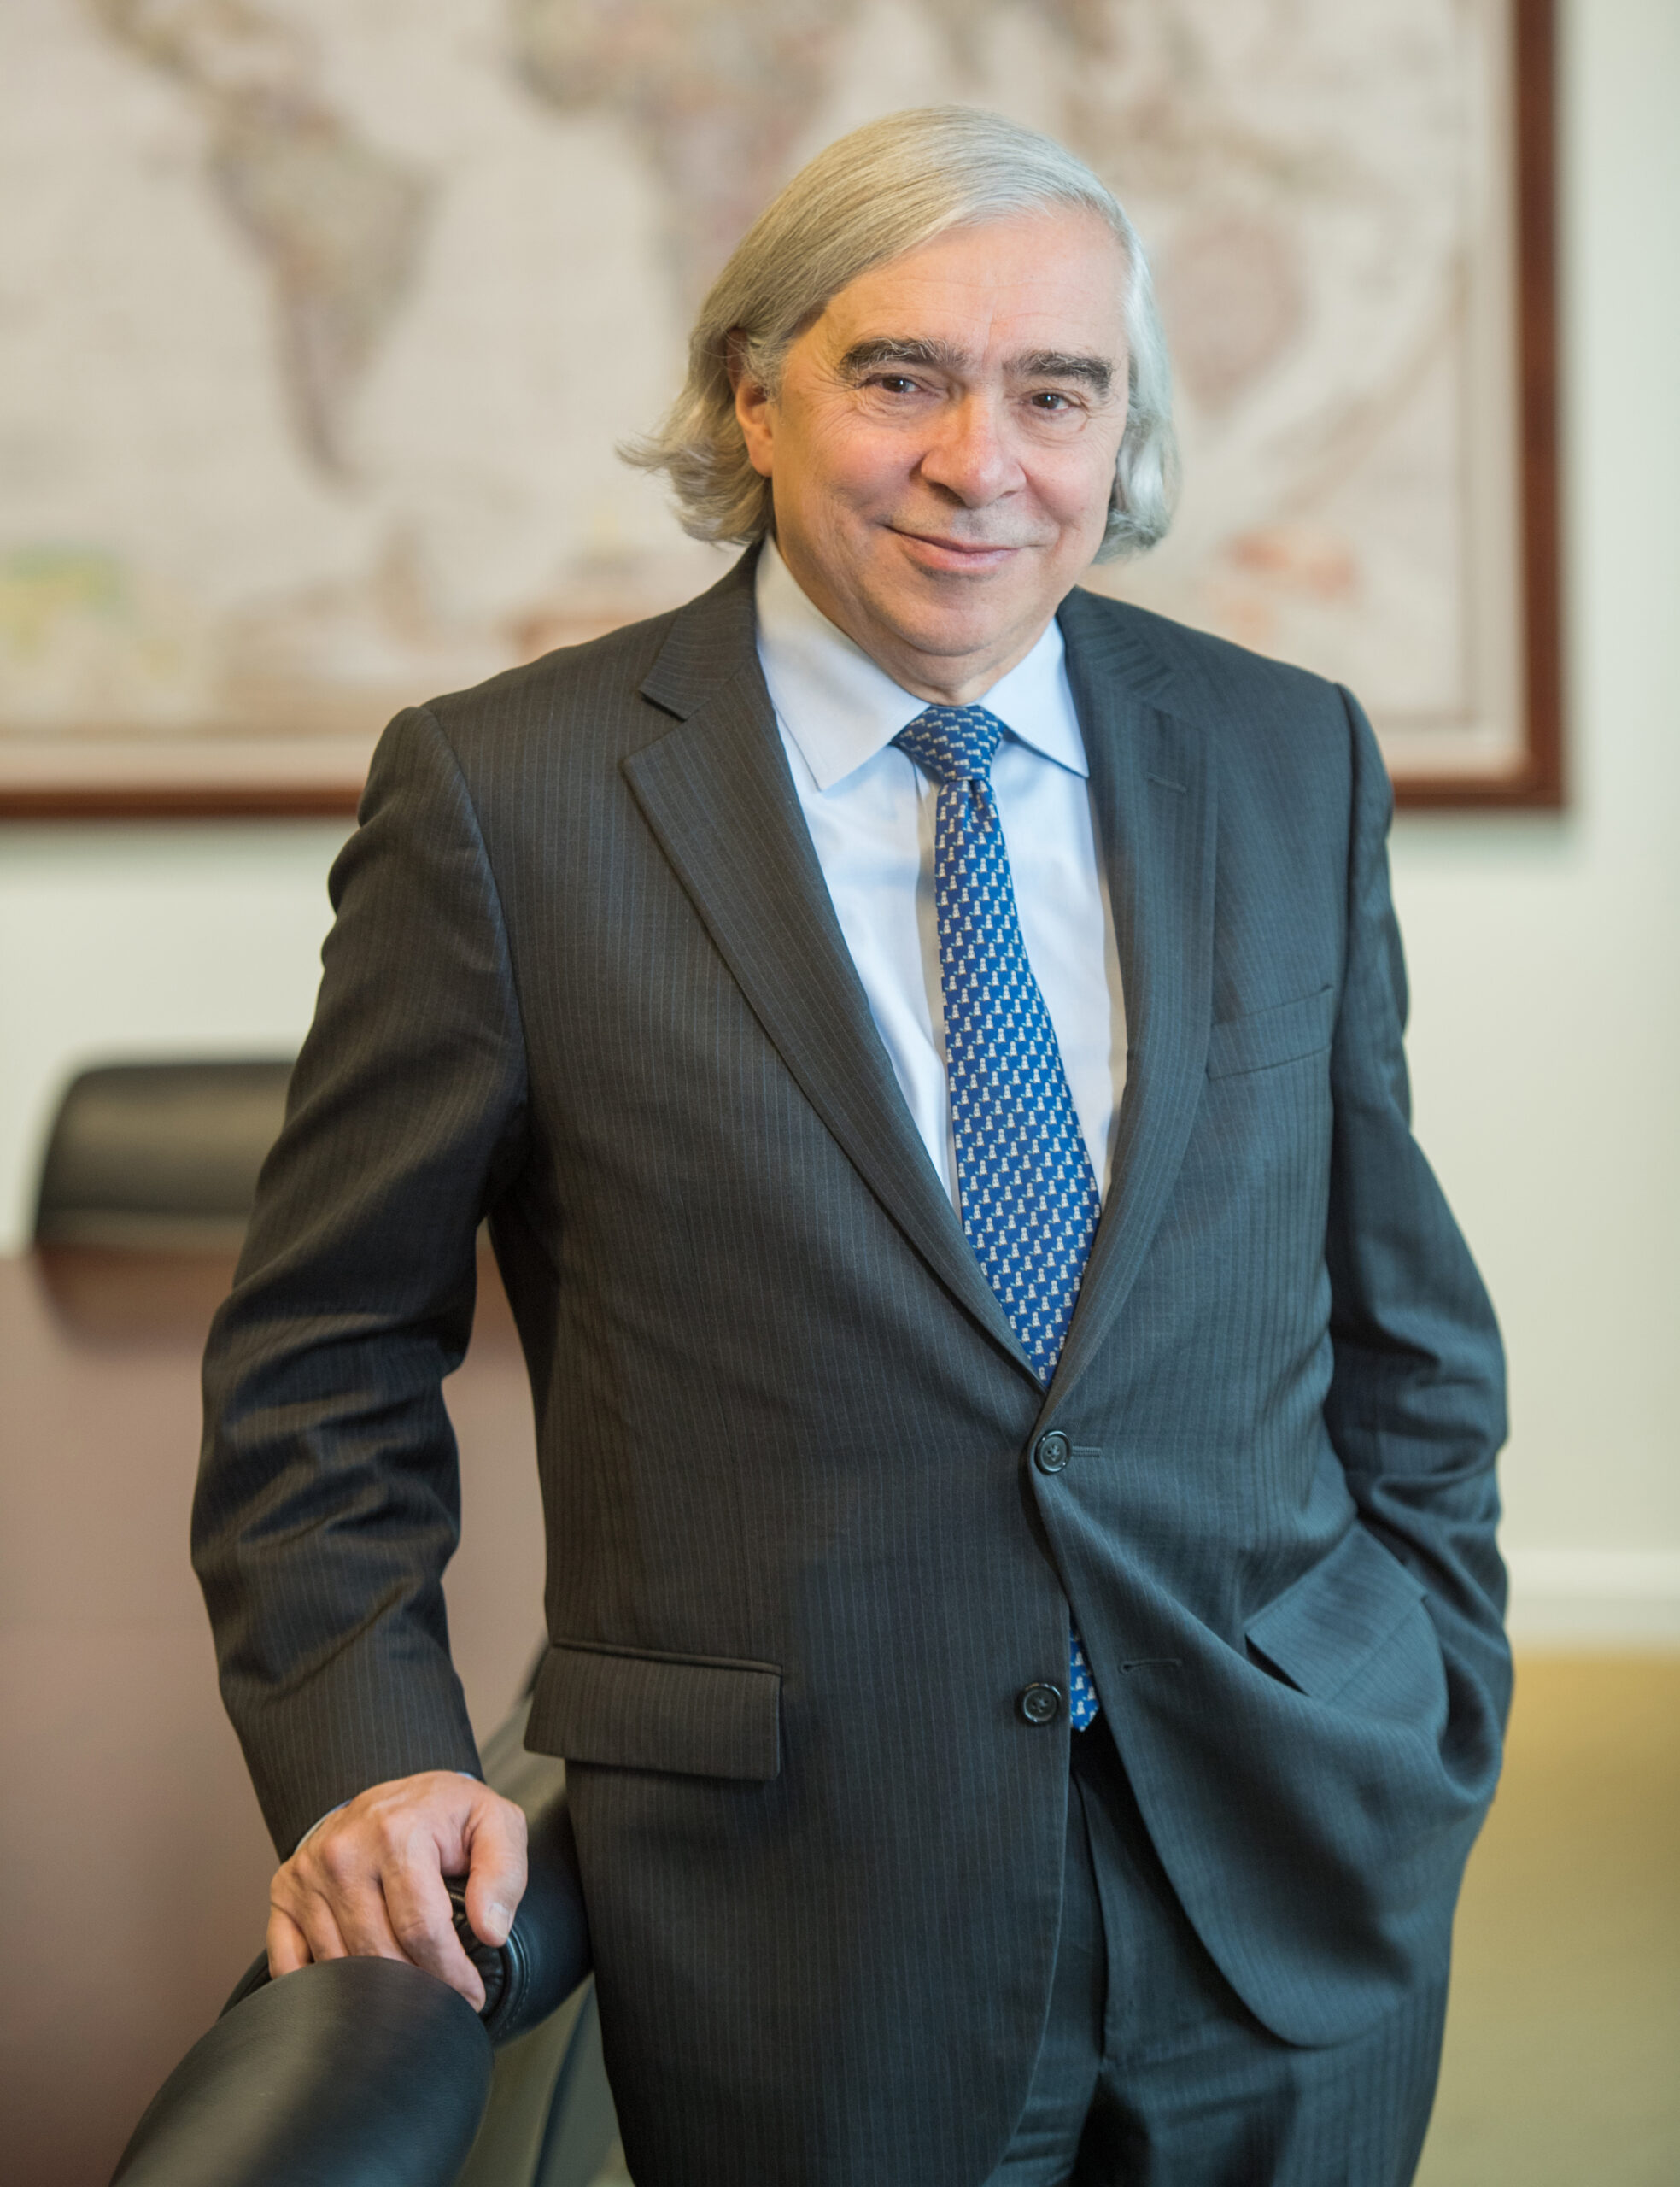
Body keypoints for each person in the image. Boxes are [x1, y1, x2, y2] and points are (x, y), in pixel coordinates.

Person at [194, 106, 1509, 2187]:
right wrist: (370, 1759)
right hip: (801, 1913)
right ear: (757, 393)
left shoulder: (1286, 754)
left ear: (1120, 427)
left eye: (1056, 391)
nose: (984, 462)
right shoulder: (508, 801)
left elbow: (1396, 1300)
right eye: (901, 376)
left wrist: (1433, 1685)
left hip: (1291, 1860)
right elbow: (319, 1361)